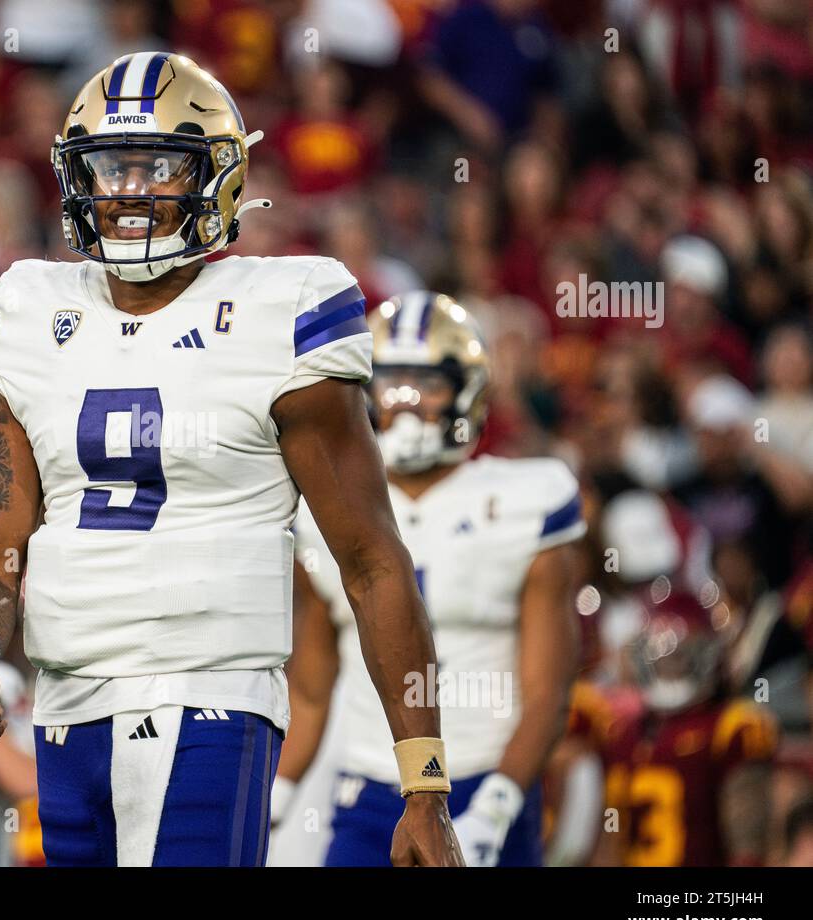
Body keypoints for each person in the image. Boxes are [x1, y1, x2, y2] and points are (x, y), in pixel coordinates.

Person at [0, 51, 461, 867]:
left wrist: (424, 783)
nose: (132, 191)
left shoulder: (282, 310)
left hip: (211, 698)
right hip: (66, 709)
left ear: (219, 175)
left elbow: (372, 561)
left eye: (157, 166)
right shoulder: (31, 313)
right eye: (110, 168)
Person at [275, 292, 584, 866]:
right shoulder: (328, 508)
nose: (406, 404)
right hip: (369, 788)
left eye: (427, 384)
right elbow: (313, 689)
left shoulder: (526, 498)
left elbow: (548, 691)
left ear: (470, 392)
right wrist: (277, 796)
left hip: (487, 776)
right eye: (390, 384)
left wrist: (496, 807)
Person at [597, 591, 778, 866]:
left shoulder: (730, 727)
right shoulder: (620, 731)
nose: (671, 663)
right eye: (663, 654)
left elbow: (748, 848)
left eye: (683, 653)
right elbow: (606, 845)